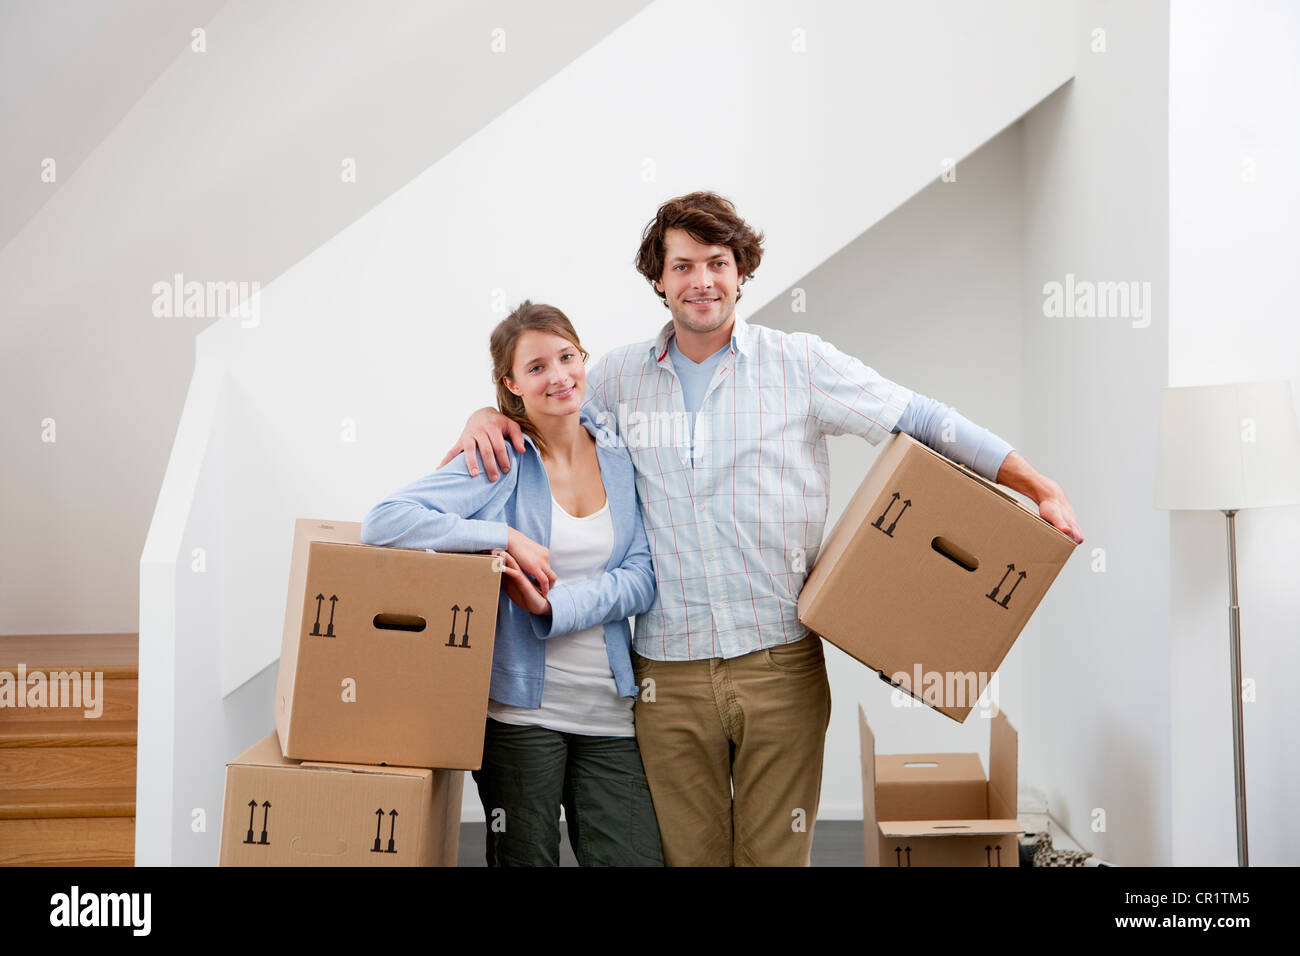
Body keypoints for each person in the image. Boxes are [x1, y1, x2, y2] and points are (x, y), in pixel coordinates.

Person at [440, 192, 1086, 866]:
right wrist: (484, 417)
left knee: (775, 859)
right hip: (668, 676)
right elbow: (543, 402)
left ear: (741, 271)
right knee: (690, 860)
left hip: (780, 665)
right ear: (658, 279)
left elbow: (921, 417)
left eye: (717, 262)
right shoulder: (616, 379)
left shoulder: (799, 364)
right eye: (682, 265)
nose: (701, 281)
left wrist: (1035, 484)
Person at [361, 300, 663, 867]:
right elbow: (385, 520)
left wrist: (556, 606)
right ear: (511, 384)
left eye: (567, 357)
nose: (558, 376)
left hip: (610, 712)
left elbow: (642, 577)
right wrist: (502, 535)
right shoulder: (500, 460)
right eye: (536, 367)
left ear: (583, 358)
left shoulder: (621, 457)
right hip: (521, 716)